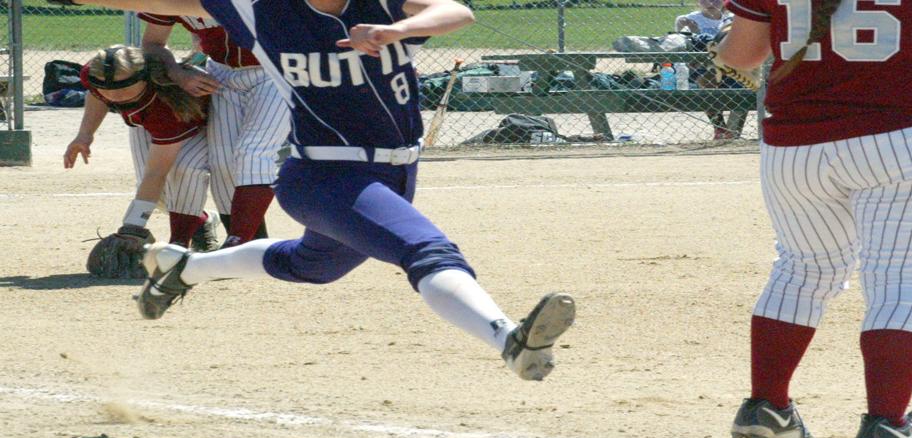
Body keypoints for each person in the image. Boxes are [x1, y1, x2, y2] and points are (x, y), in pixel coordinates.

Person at [49, 0, 575, 383]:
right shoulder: (262, 11)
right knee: (427, 251)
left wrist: (399, 30)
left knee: (312, 266)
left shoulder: (384, 5)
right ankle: (509, 340)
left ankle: (184, 267)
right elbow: (157, 4)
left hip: (395, 172)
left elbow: (458, 11)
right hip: (324, 176)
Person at [716, 0, 912, 438]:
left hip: (795, 146)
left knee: (802, 268)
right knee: (901, 279)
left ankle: (767, 406)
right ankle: (886, 423)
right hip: (904, 140)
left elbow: (738, 56)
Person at [137, 10, 290, 247]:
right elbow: (152, 44)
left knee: (253, 152)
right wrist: (177, 73)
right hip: (220, 74)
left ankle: (236, 244)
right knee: (223, 163)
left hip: (276, 71)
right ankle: (253, 243)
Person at [64, 44, 215, 278]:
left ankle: (179, 247)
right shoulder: (98, 75)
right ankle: (201, 220)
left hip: (192, 121)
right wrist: (85, 134)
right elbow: (97, 94)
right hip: (146, 121)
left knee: (184, 172)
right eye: (108, 89)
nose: (114, 97)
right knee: (156, 195)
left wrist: (133, 227)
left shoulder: (166, 107)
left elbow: (156, 172)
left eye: (123, 90)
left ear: (145, 78)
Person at [677, 0, 746, 140]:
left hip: (731, 64)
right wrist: (694, 31)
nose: (710, 2)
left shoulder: (734, 18)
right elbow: (682, 45)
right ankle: (719, 128)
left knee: (744, 83)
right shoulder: (688, 20)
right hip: (702, 67)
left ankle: (732, 131)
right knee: (707, 79)